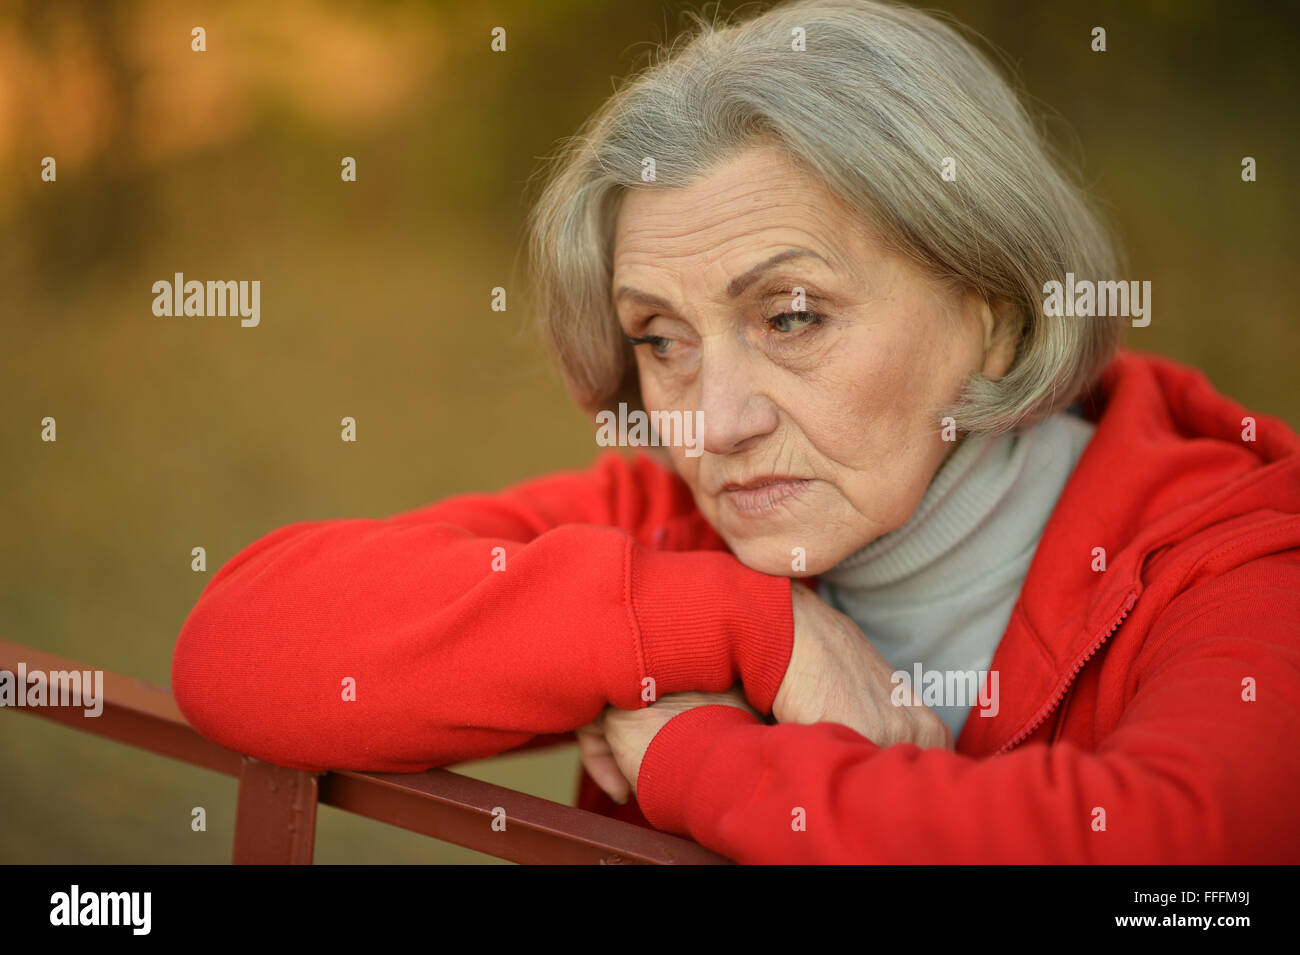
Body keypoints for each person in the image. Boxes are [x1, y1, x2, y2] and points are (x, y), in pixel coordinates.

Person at [170, 0, 1300, 862]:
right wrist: (745, 627)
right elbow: (244, 648)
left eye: (793, 315)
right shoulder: (684, 530)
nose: (710, 424)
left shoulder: (1230, 556)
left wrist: (691, 754)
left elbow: (1173, 858)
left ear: (994, 319)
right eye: (660, 338)